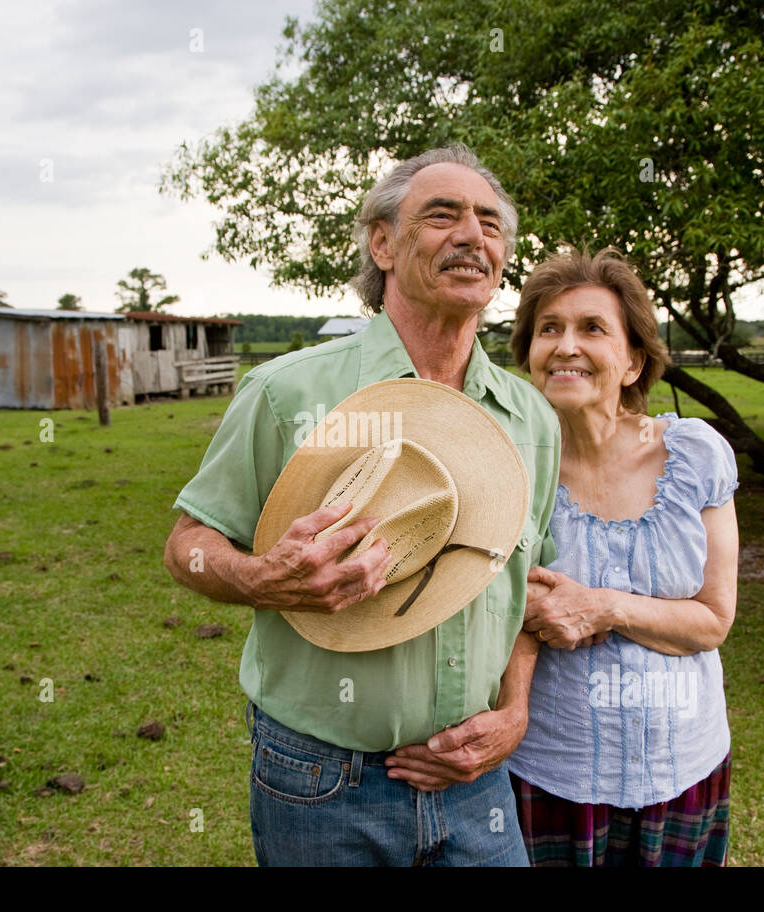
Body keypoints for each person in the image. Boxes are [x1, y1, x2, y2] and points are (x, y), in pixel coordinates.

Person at [163, 144, 561, 866]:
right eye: (443, 215)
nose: (474, 235)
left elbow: (529, 583)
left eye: (491, 223)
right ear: (382, 242)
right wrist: (261, 579)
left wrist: (515, 712)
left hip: (478, 788)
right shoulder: (286, 394)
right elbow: (187, 545)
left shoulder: (531, 418)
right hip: (322, 783)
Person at [504, 247, 739, 866]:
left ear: (633, 360)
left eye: (591, 328)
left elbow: (712, 620)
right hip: (555, 770)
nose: (564, 346)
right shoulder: (510, 469)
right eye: (547, 329)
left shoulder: (697, 455)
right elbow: (503, 611)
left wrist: (599, 607)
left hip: (684, 767)